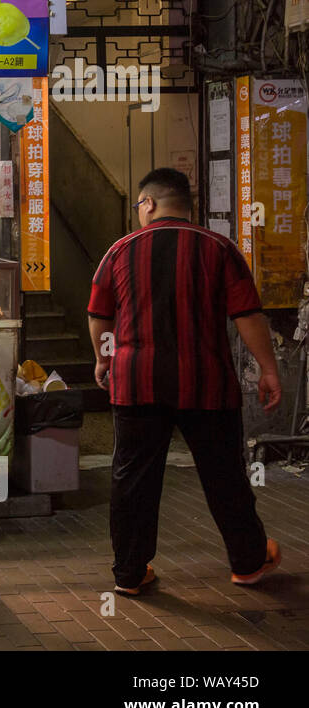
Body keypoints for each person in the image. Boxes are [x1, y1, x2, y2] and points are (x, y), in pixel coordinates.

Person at [88, 168, 283, 596]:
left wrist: (104, 359)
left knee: (132, 478)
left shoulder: (119, 250)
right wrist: (268, 368)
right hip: (206, 383)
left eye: (139, 205)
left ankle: (130, 574)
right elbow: (247, 314)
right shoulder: (219, 248)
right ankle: (248, 564)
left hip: (136, 383)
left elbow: (99, 311)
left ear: (150, 204)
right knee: (225, 475)